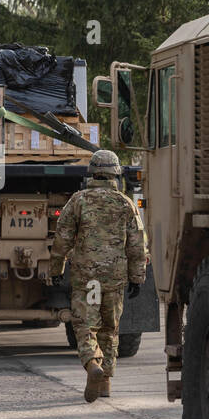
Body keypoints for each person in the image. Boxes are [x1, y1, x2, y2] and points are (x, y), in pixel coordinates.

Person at [49, 150, 147, 402]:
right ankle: (105, 383)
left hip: (86, 277)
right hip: (114, 277)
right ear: (116, 173)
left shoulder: (78, 200)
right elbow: (137, 244)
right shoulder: (125, 203)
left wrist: (56, 269)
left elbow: (62, 238)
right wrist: (137, 277)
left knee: (85, 324)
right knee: (110, 328)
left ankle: (92, 362)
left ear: (92, 172)